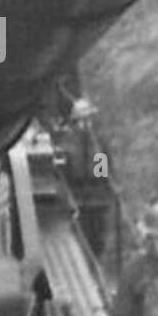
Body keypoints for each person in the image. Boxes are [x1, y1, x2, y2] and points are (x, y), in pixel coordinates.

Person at [55, 97, 112, 259]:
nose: (86, 123)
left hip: (97, 199)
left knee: (97, 238)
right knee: (81, 238)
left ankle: (97, 263)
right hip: (77, 199)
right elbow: (63, 174)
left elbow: (102, 173)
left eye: (89, 119)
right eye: (83, 120)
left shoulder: (98, 142)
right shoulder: (67, 142)